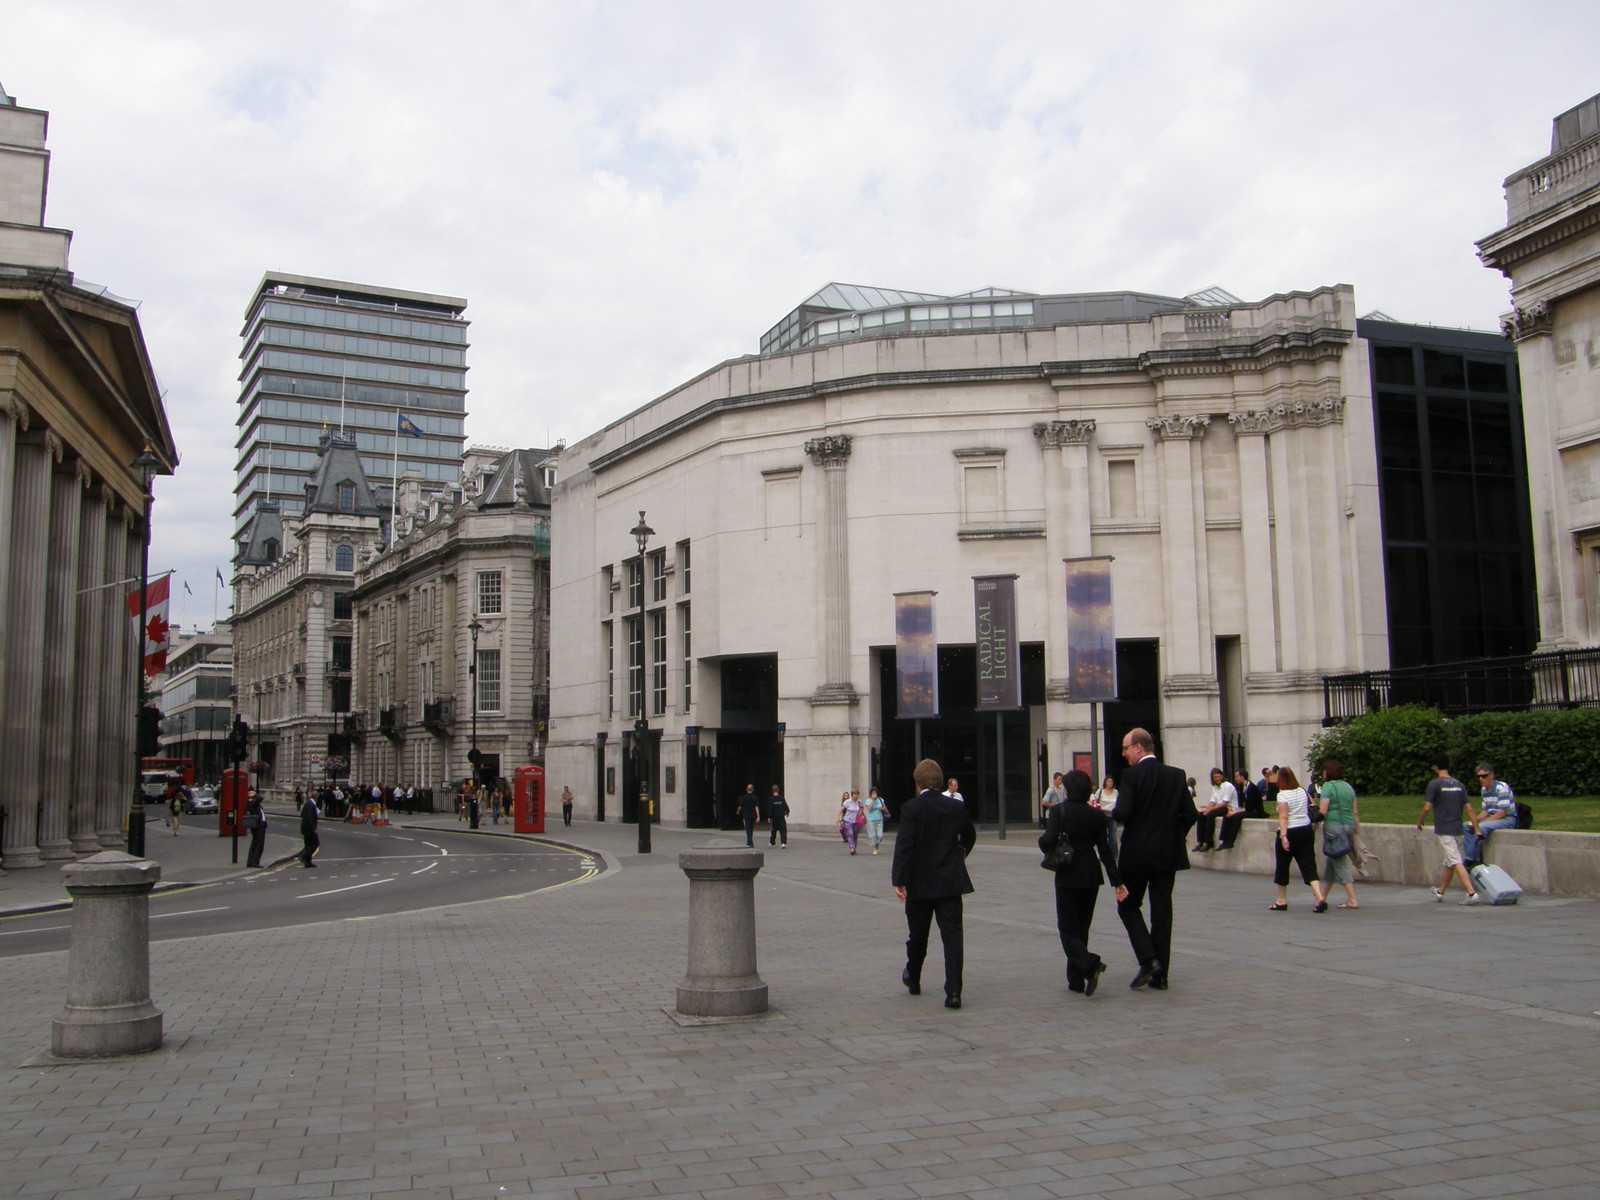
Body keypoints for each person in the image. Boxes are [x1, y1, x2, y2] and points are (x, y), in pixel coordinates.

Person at [1111, 728, 1195, 990]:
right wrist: (1174, 835)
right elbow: (1190, 813)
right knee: (1162, 912)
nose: (1123, 754)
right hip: (1168, 854)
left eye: (1126, 748)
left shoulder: (1132, 775)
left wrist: (1111, 811)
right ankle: (1161, 976)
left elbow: (1123, 812)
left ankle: (1148, 959)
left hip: (1136, 853)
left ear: (1139, 748)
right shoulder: (1176, 774)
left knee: (1128, 905)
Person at [892, 757, 976, 1009]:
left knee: (918, 934)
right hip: (950, 880)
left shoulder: (911, 808)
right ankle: (953, 992)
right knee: (953, 937)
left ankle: (913, 977)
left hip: (919, 881)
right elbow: (969, 836)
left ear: (918, 782)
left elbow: (904, 845)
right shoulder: (955, 808)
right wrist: (959, 855)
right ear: (940, 781)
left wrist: (899, 879)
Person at [1039, 769, 1121, 997]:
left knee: (1067, 929)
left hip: (1068, 873)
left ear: (1067, 789)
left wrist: (1044, 842)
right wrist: (1117, 881)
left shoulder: (1059, 811)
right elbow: (1106, 851)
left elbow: (1047, 841)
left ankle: (1090, 963)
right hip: (1091, 875)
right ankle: (1076, 980)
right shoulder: (1097, 816)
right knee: (1082, 928)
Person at [1418, 757, 1481, 904]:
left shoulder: (1435, 785)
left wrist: (1420, 822)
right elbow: (1469, 809)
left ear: (1435, 767)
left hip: (1444, 828)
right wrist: (1477, 829)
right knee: (1450, 861)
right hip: (1458, 828)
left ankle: (1471, 894)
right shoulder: (1459, 785)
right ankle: (1440, 892)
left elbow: (1427, 807)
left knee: (1455, 860)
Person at [1269, 765, 1327, 912]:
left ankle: (1281, 900)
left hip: (1290, 831)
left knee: (1282, 865)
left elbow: (1283, 816)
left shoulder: (1282, 795)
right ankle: (1319, 896)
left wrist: (1283, 836)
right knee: (1308, 864)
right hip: (1305, 830)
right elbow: (1312, 806)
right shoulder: (1302, 790)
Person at [1318, 760, 1360, 909]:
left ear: (1328, 773)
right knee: (1333, 859)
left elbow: (1323, 810)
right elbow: (1355, 811)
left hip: (1333, 826)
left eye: (1324, 771)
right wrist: (1357, 831)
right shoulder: (1348, 787)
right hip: (1348, 825)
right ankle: (1322, 896)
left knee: (1340, 863)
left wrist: (1314, 822)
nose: (1323, 774)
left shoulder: (1328, 787)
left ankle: (1352, 899)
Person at [1464, 763, 1516, 867]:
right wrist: (1475, 821)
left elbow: (1502, 813)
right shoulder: (1484, 790)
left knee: (1482, 827)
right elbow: (1485, 811)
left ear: (1491, 776)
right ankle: (1476, 858)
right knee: (1466, 826)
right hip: (1493, 817)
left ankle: (1469, 859)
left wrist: (1482, 823)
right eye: (1478, 776)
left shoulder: (1501, 788)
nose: (1481, 779)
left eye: (1484, 776)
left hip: (1507, 819)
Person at [1193, 769, 1233, 851]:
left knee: (1210, 815)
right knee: (1201, 815)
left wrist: (1210, 810)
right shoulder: (1215, 788)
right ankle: (1201, 841)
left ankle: (1209, 842)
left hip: (1228, 808)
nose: (1217, 779)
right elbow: (1212, 801)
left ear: (1222, 776)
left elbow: (1224, 803)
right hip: (1219, 807)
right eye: (1215, 777)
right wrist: (1206, 809)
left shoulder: (1227, 785)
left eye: (1218, 776)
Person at [1218, 771, 1249, 849]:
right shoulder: (1243, 787)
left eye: (1236, 777)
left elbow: (1249, 807)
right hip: (1246, 809)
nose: (1235, 779)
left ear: (1242, 777)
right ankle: (1225, 840)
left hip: (1254, 811)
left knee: (1236, 816)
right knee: (1228, 816)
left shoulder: (1250, 787)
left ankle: (1230, 841)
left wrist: (1235, 812)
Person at [244, 788, 268, 868]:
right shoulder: (252, 802)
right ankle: (255, 862)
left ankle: (250, 862)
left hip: (259, 825)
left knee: (254, 843)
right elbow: (260, 798)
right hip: (258, 825)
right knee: (259, 844)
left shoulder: (252, 803)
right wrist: (254, 794)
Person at [863, 786, 888, 854]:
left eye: (875, 793)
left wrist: (882, 809)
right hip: (871, 819)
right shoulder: (868, 800)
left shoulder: (880, 799)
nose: (874, 794)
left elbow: (885, 808)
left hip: (879, 818)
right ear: (871, 794)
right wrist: (873, 801)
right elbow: (869, 809)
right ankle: (874, 848)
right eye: (873, 793)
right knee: (872, 834)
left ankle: (877, 844)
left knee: (880, 835)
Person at [299, 790, 320, 868]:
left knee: (308, 845)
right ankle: (304, 857)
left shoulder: (308, 803)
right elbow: (310, 818)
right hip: (309, 829)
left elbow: (302, 814)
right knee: (315, 843)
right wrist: (314, 828)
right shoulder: (311, 805)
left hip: (305, 828)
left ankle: (308, 862)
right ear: (316, 797)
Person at [838, 789, 863, 855]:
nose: (856, 796)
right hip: (848, 820)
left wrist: (860, 812)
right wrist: (838, 817)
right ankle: (852, 848)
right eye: (855, 794)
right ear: (852, 795)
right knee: (850, 834)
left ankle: (854, 848)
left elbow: (862, 808)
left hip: (856, 821)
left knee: (855, 835)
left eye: (857, 794)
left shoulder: (859, 802)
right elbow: (841, 809)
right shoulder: (847, 802)